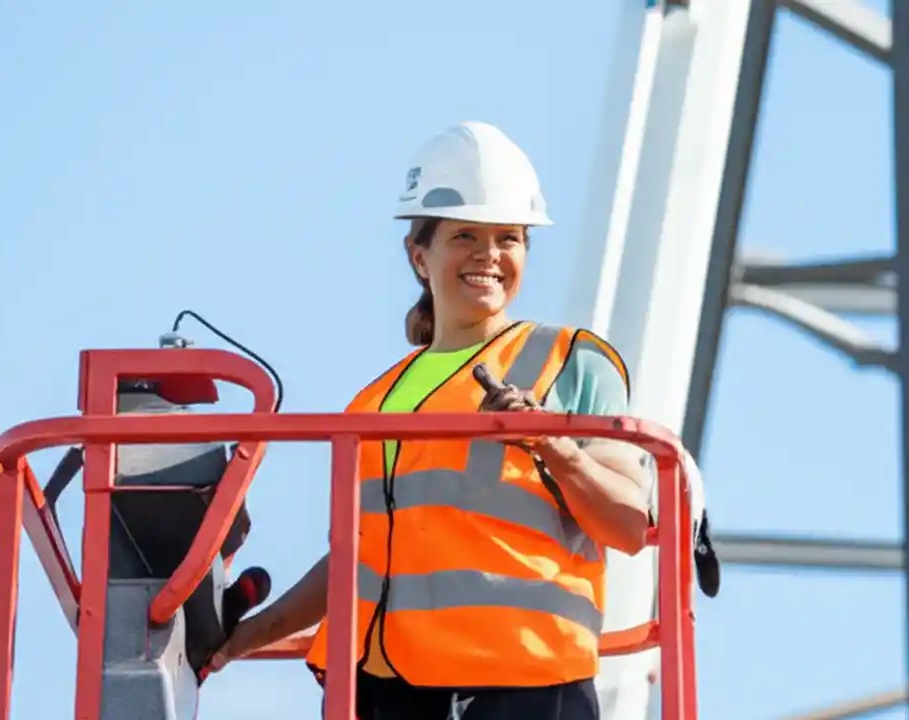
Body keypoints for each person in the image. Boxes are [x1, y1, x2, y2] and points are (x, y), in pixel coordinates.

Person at [202, 121, 654, 719]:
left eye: (509, 238)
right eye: (465, 235)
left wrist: (553, 443)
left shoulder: (569, 362)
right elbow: (359, 561)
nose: (489, 256)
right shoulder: (372, 405)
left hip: (525, 688)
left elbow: (628, 525)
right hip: (387, 696)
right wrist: (252, 635)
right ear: (420, 256)